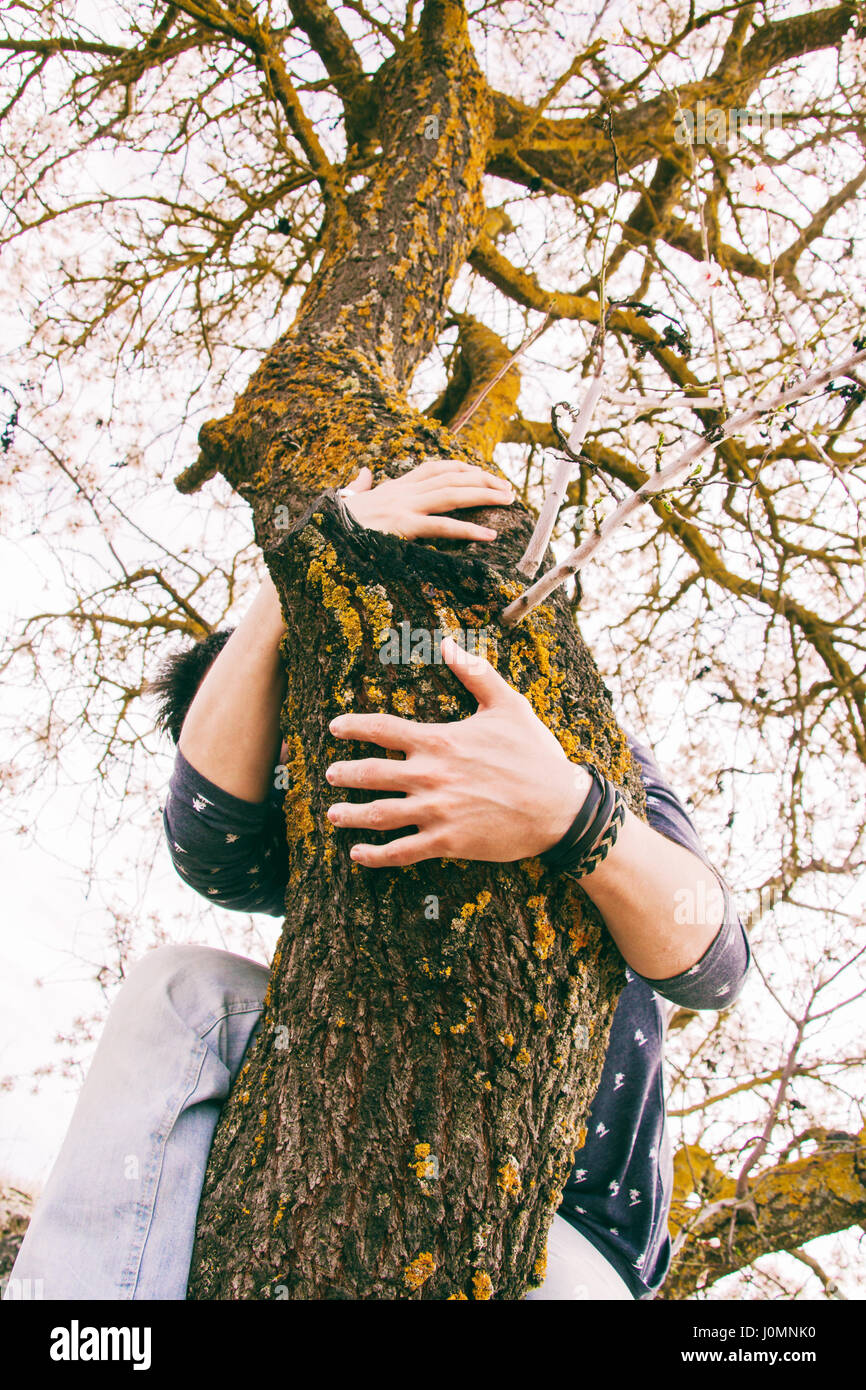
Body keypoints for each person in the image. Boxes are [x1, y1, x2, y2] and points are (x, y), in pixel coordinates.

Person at [6, 459, 749, 1301]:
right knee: (180, 987)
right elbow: (203, 837)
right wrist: (311, 561)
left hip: (570, 1223)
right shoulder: (309, 832)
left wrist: (567, 812)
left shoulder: (589, 747)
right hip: (341, 1114)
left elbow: (713, 962)